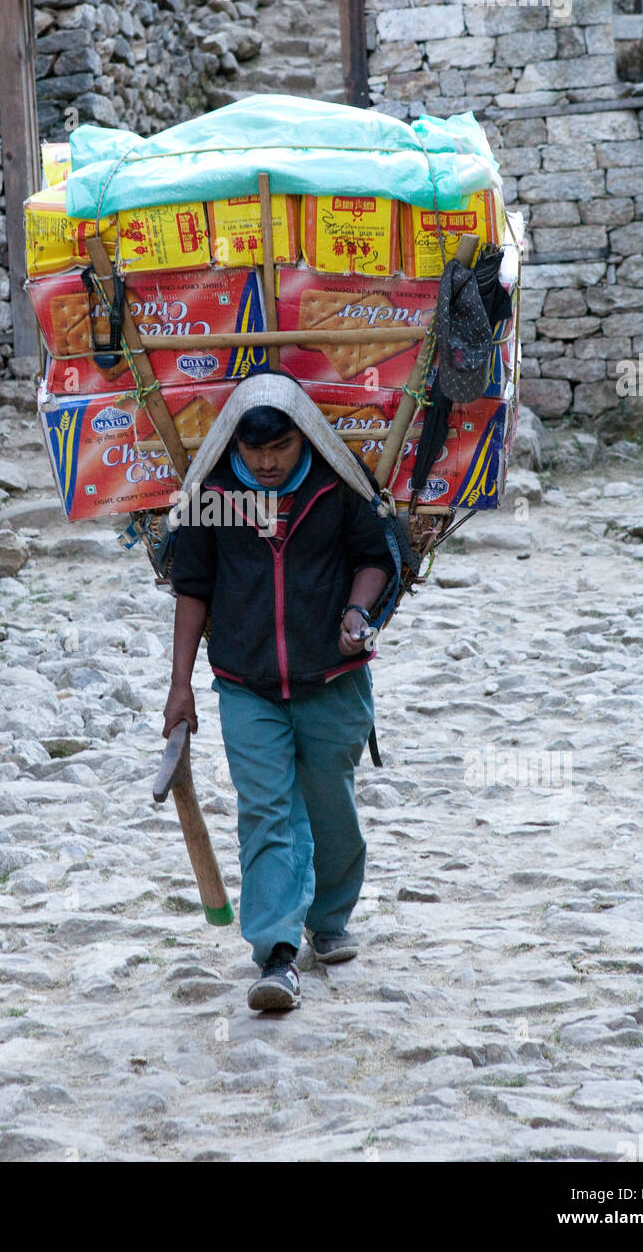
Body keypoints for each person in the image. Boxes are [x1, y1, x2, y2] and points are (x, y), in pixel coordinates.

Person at [163, 379, 396, 1012]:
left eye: (283, 448)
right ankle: (277, 953)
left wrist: (356, 612)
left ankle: (330, 917)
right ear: (232, 441)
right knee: (266, 809)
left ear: (307, 437)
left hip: (333, 679)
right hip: (246, 683)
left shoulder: (336, 487)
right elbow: (193, 587)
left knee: (330, 806)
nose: (268, 462)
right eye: (254, 448)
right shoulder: (212, 497)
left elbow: (374, 558)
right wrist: (180, 684)